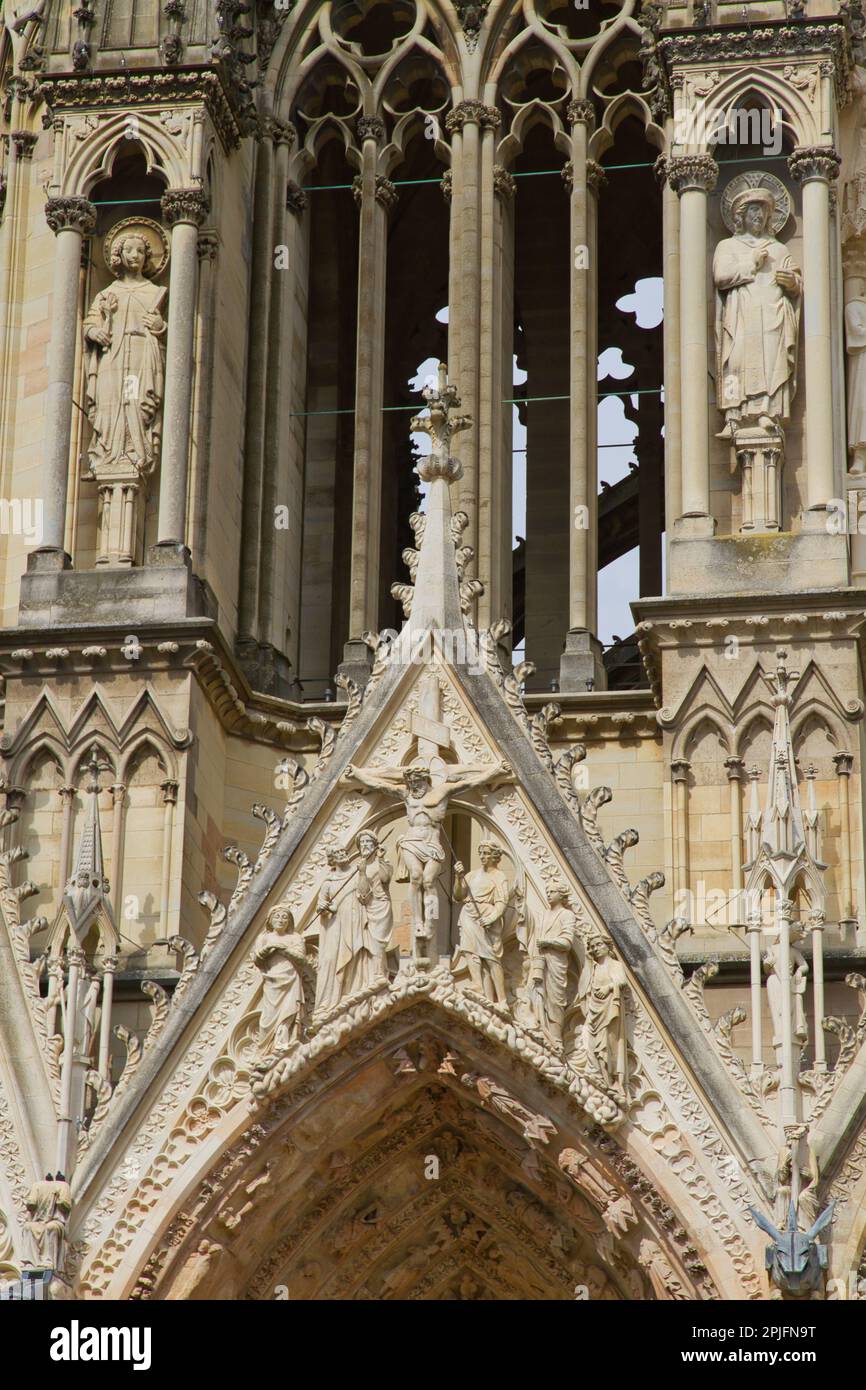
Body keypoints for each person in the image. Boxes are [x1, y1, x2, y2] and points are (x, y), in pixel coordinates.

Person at [713, 188, 801, 437]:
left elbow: (796, 283)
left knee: (770, 363)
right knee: (735, 362)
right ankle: (733, 416)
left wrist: (792, 282)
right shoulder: (728, 246)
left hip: (772, 314)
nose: (759, 216)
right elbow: (721, 277)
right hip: (741, 314)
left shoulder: (779, 249)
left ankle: (765, 411)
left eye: (763, 211)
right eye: (754, 210)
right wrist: (751, 261)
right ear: (741, 215)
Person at [83, 231, 167, 475]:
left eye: (141, 251)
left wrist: (159, 326)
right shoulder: (106, 294)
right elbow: (89, 324)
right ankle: (107, 451)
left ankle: (134, 451)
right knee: (110, 403)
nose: (135, 256)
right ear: (118, 255)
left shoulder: (154, 292)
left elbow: (163, 330)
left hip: (140, 358)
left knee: (134, 401)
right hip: (113, 357)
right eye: (129, 250)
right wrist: (95, 333)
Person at [451, 842, 511, 1004]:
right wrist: (458, 877)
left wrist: (492, 918)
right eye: (481, 853)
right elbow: (458, 896)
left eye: (486, 853)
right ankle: (478, 984)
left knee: (492, 958)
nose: (483, 857)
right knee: (469, 950)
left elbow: (502, 901)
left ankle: (502, 1000)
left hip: (487, 918)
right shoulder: (471, 875)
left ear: (494, 856)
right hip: (468, 914)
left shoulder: (499, 877)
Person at [253, 903, 307, 1051]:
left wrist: (283, 949)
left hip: (291, 978)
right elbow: (257, 959)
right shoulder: (264, 938)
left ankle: (283, 1041)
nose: (281, 920)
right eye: (277, 916)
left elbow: (302, 959)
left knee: (289, 1011)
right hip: (272, 980)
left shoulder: (295, 938)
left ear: (289, 921)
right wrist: (267, 950)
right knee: (269, 1016)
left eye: (285, 917)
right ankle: (267, 1047)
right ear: (270, 920)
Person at [846, 276, 866, 473]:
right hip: (863, 364)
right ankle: (860, 458)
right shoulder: (855, 306)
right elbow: (857, 332)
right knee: (862, 408)